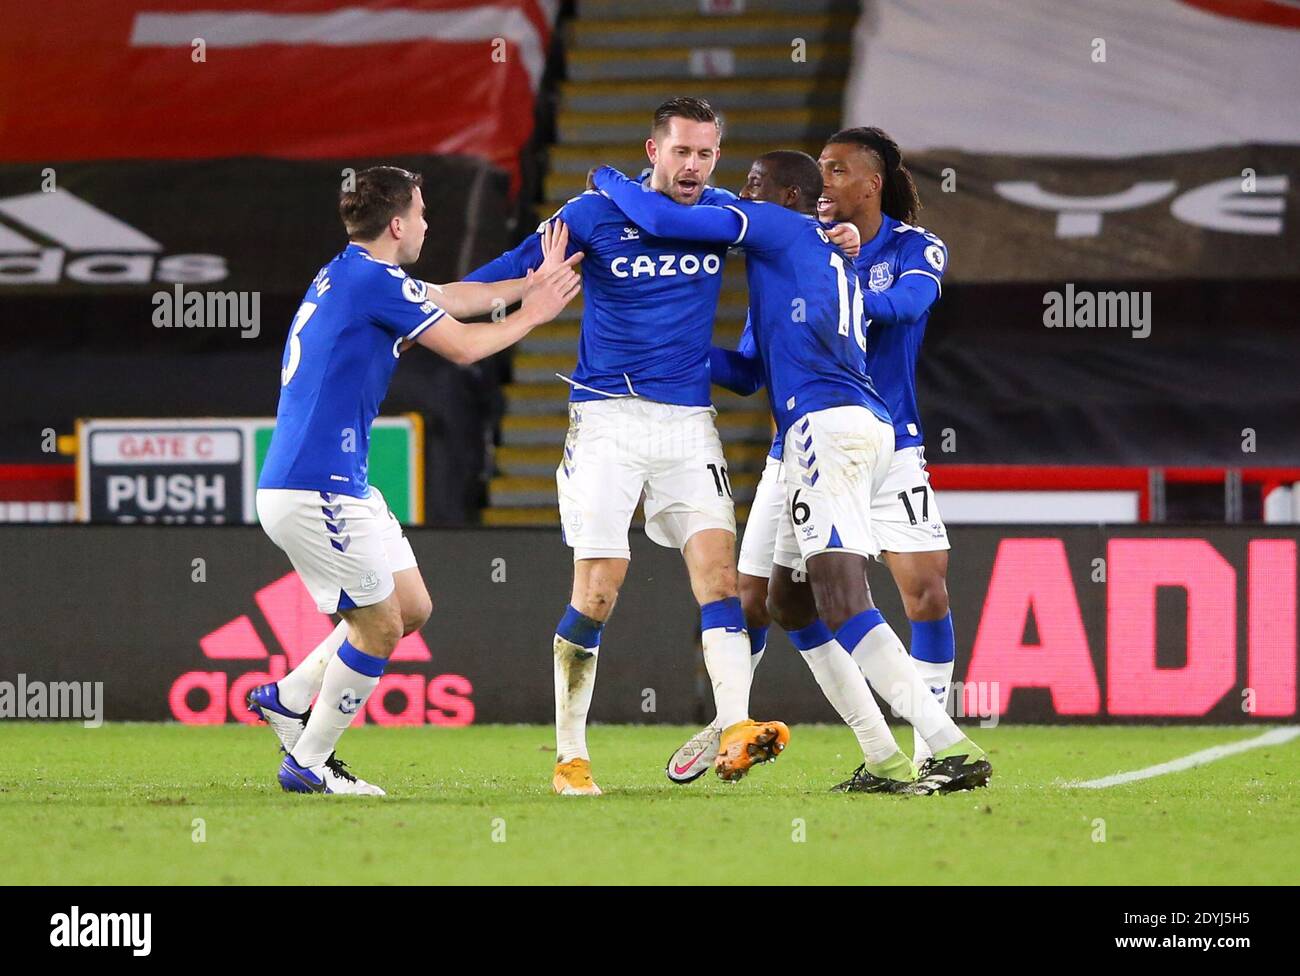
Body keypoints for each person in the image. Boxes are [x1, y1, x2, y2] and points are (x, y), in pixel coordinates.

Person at [592, 152, 990, 794]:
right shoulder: (807, 261)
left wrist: (609, 180)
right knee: (785, 599)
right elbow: (750, 372)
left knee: (845, 595)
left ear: (788, 197)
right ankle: (884, 757)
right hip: (830, 430)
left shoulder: (785, 230)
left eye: (753, 187)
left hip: (826, 429)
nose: (740, 196)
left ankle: (947, 744)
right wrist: (667, 354)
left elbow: (662, 215)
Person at [465, 98, 790, 795]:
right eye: (682, 151)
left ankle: (734, 725)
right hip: (607, 419)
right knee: (600, 588)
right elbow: (506, 273)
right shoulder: (588, 216)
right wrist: (420, 298)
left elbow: (792, 239)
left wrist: (844, 239)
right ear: (653, 149)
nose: (694, 166)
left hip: (686, 423)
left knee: (720, 576)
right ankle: (571, 756)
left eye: (706, 153)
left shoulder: (718, 216)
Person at [248, 165, 582, 794]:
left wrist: (527, 283)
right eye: (423, 214)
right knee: (378, 626)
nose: (429, 224)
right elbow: (462, 348)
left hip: (335, 481)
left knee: (410, 609)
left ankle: (289, 696)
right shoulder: (371, 281)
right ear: (398, 224)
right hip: (314, 486)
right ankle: (310, 763)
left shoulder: (354, 273)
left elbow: (448, 296)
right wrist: (533, 313)